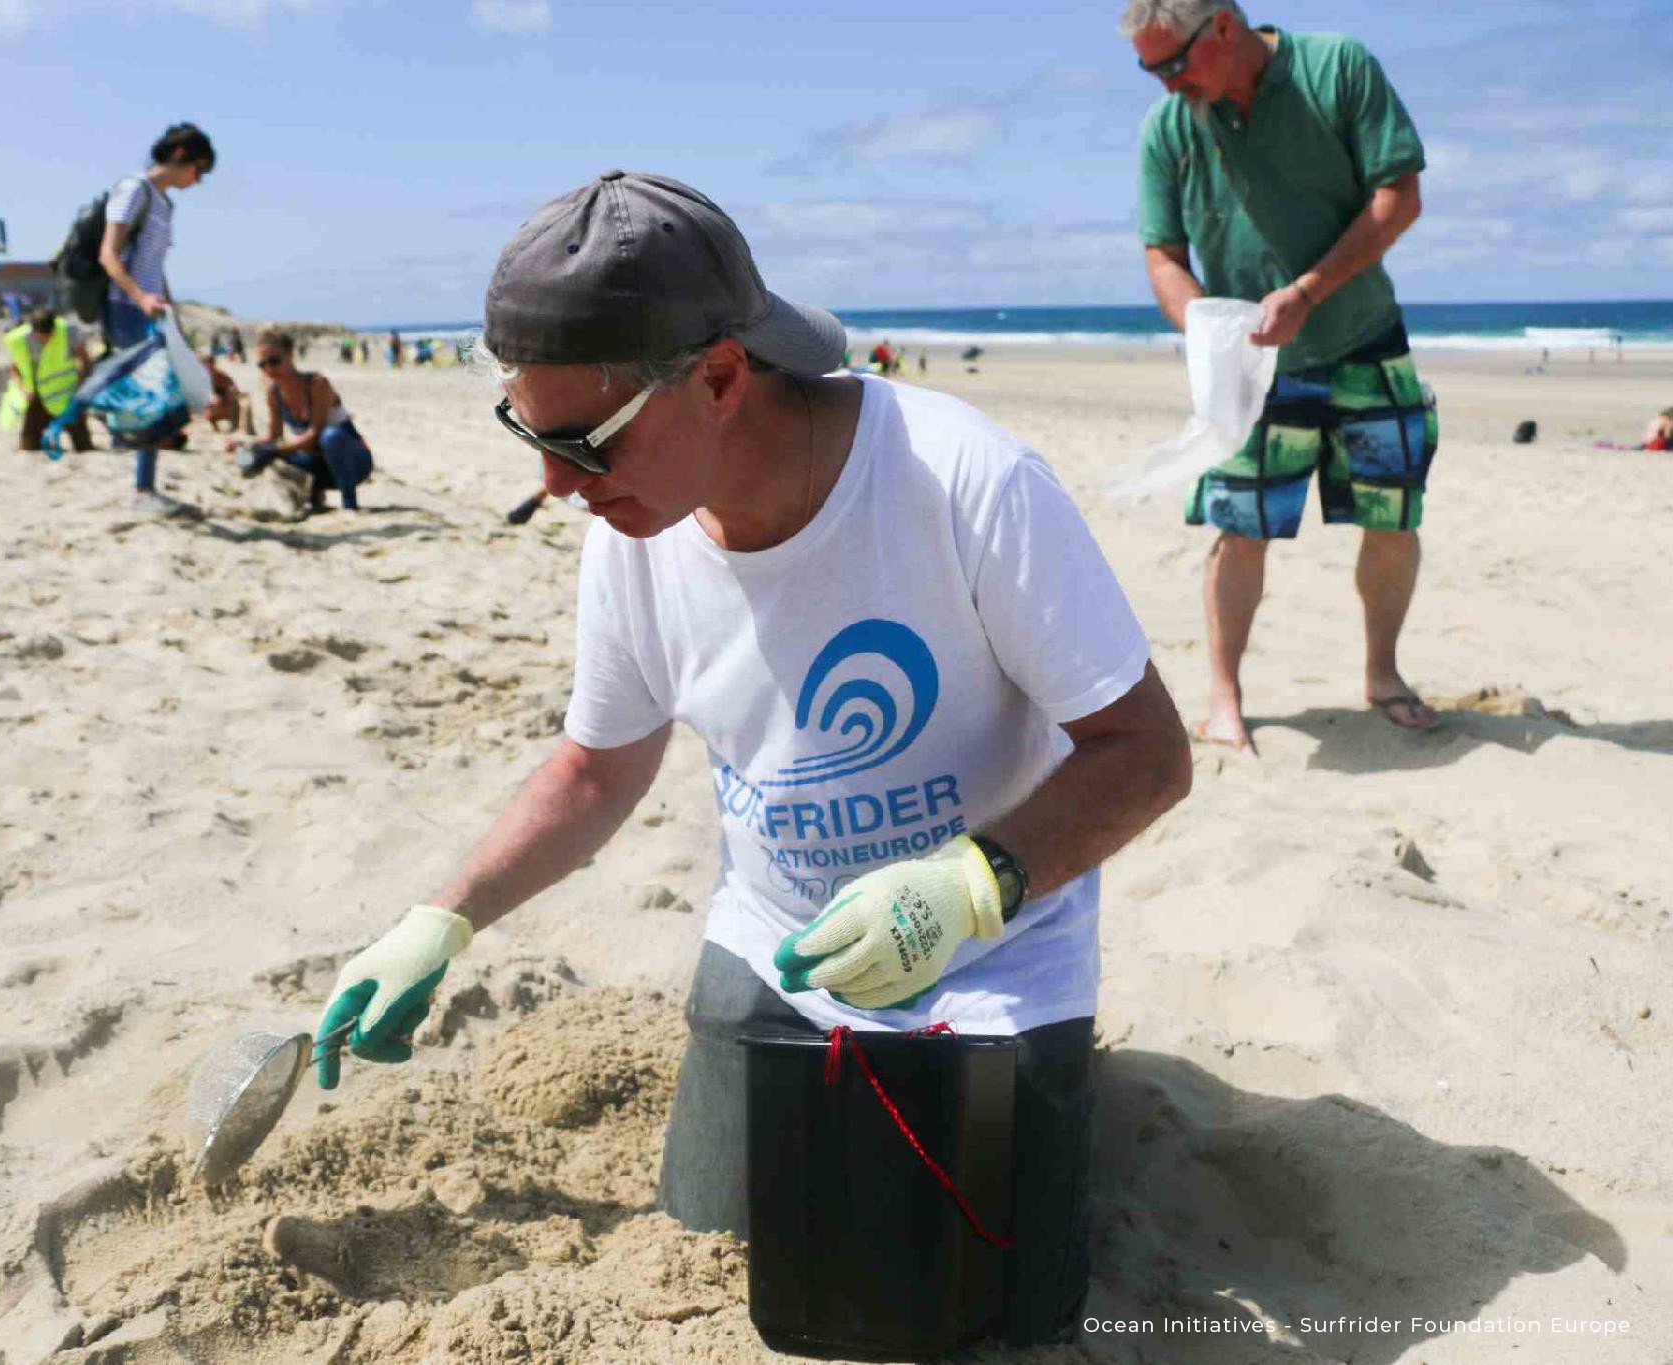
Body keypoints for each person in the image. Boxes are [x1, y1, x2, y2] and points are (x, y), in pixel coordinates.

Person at [312, 170, 1191, 1346]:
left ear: (721, 377)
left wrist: (965, 886)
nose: (553, 487)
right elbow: (594, 771)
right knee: (722, 1235)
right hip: (776, 950)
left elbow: (1146, 754)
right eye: (528, 433)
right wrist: (445, 918)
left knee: (978, 1310)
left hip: (991, 953)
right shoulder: (633, 529)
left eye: (578, 442)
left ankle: (1062, 1080)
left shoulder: (960, 481)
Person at [1127, 0, 1439, 749]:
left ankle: (1383, 673)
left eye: (1174, 64)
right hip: (1250, 367)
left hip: (1365, 338)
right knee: (1240, 528)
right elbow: (1163, 255)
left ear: (1223, 26)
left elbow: (1399, 198)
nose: (1166, 84)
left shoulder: (1337, 68)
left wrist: (1307, 293)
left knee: (1392, 517)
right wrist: (1208, 330)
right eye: (1149, 69)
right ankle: (1225, 695)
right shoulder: (1168, 128)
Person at [97, 121, 214, 516]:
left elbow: (153, 263)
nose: (198, 181)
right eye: (199, 169)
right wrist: (139, 295)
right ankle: (141, 487)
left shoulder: (164, 203)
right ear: (180, 156)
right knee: (154, 394)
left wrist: (168, 305)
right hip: (126, 306)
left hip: (152, 310)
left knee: (160, 394)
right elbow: (108, 254)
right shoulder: (133, 189)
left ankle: (144, 484)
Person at [230, 325, 373, 511]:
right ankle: (313, 495)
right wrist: (247, 446)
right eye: (262, 364)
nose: (269, 369)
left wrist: (274, 450)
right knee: (272, 457)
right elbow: (274, 437)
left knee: (331, 437)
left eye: (274, 361)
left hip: (353, 462)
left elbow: (314, 434)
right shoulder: (274, 393)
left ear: (290, 354)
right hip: (319, 464)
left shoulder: (317, 384)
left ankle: (350, 504)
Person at [4, 305, 93, 453]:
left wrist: (81, 387)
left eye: (48, 336)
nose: (45, 340)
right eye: (41, 337)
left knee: (84, 446)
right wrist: (24, 389)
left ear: (53, 329)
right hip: (37, 397)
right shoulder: (21, 340)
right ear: (33, 331)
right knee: (29, 446)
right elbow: (15, 368)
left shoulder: (68, 332)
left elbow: (84, 360)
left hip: (68, 396)